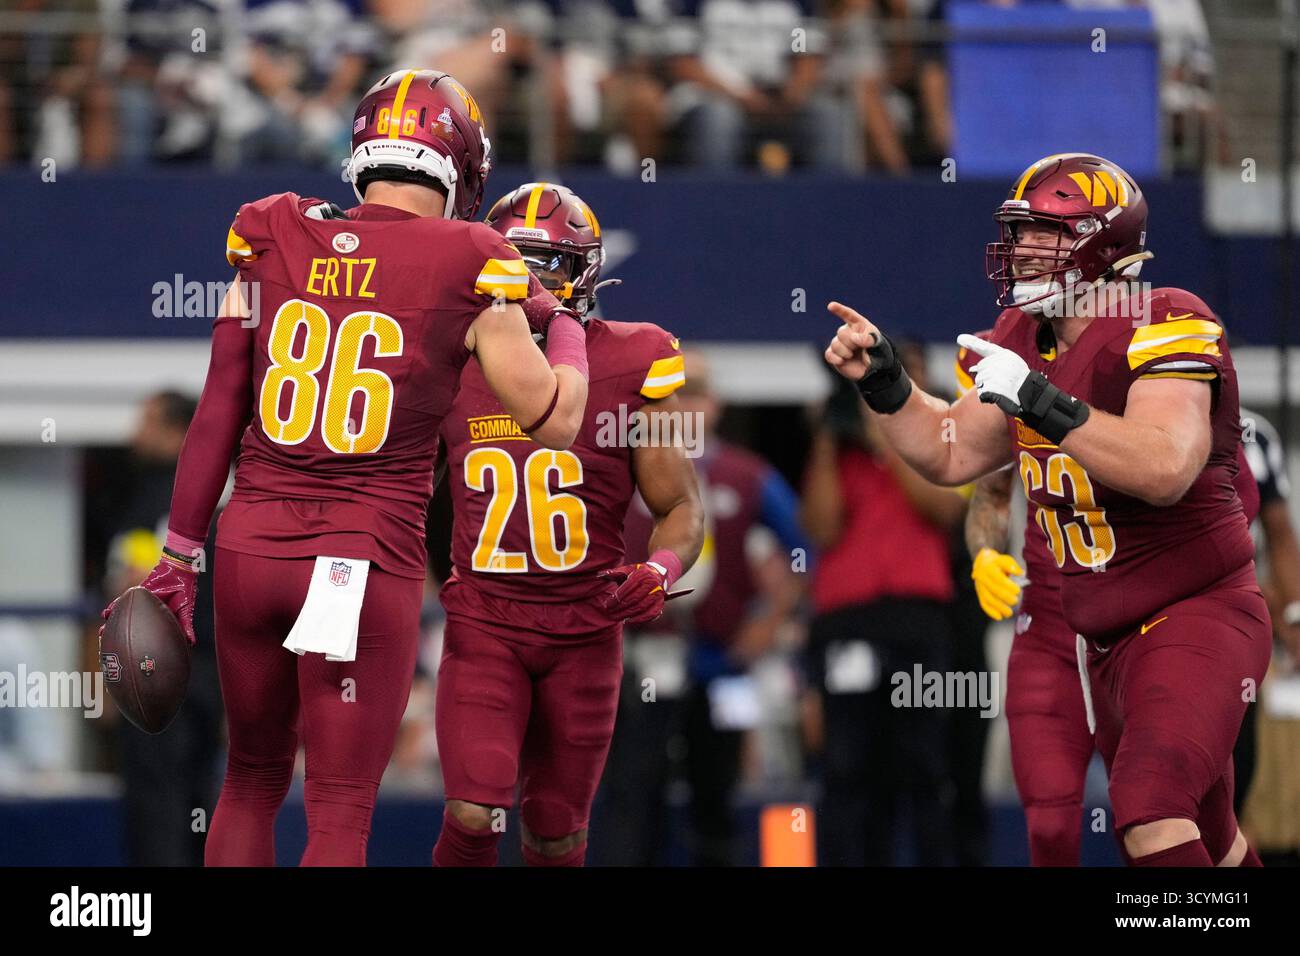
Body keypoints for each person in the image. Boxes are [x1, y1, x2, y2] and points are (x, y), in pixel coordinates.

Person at [101, 69, 590, 866]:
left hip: (250, 548)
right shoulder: (473, 256)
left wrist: (180, 556)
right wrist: (560, 322)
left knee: (250, 780)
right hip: (356, 562)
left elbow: (220, 404)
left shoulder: (273, 230)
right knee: (337, 806)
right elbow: (558, 419)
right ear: (461, 164)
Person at [823, 152, 1269, 867]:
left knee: (1150, 813)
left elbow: (1163, 467)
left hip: (1194, 609)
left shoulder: (1165, 318)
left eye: (1048, 234)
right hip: (1101, 637)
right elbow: (950, 454)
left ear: (1105, 241)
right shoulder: (1020, 337)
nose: (1025, 248)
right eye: (1021, 231)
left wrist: (1040, 402)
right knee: (1209, 843)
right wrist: (886, 386)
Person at [431, 182, 704, 866]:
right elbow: (398, 488)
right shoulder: (450, 357)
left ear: (582, 271)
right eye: (512, 260)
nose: (525, 280)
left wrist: (659, 568)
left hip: (586, 628)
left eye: (543, 262)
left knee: (556, 829)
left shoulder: (637, 357)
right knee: (474, 807)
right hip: (485, 621)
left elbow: (681, 508)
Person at [803, 351, 965, 865]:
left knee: (925, 764)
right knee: (846, 766)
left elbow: (945, 509)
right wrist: (830, 438)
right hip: (847, 622)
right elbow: (822, 527)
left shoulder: (939, 439)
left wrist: (891, 437)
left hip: (917, 623)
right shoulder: (839, 447)